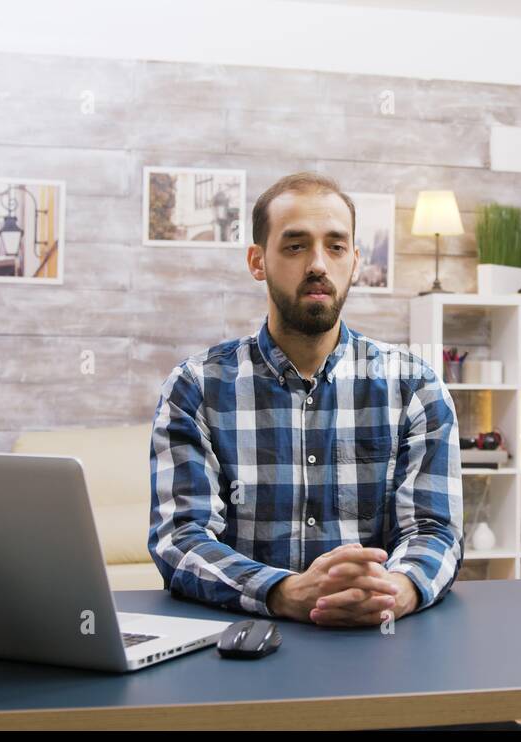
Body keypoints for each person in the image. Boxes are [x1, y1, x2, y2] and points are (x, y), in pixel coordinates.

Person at [148, 172, 463, 628]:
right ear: (257, 261)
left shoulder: (415, 386)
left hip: (379, 643)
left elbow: (434, 530)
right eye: (296, 246)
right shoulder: (196, 387)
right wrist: (285, 592)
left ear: (355, 261)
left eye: (335, 247)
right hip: (241, 645)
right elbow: (180, 537)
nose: (318, 263)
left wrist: (395, 591)